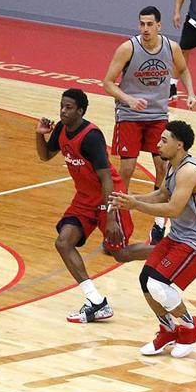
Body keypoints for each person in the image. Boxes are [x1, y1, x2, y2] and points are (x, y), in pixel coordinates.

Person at [35, 88, 153, 324]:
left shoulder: (91, 137)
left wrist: (110, 217)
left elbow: (107, 178)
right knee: (63, 241)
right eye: (62, 106)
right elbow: (45, 155)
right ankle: (96, 302)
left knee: (119, 253)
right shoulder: (60, 128)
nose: (63, 111)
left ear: (80, 111)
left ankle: (174, 252)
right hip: (84, 199)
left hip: (109, 196)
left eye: (68, 107)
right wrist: (39, 134)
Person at [109, 120, 196, 358]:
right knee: (146, 279)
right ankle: (167, 330)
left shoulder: (189, 171)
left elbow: (173, 209)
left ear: (179, 145)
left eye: (163, 140)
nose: (158, 144)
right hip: (179, 236)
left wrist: (136, 204)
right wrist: (131, 200)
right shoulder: (172, 166)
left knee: (158, 284)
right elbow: (162, 193)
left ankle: (190, 326)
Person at [102, 6, 196, 243]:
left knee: (162, 167)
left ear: (159, 26)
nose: (145, 29)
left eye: (149, 24)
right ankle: (117, 221)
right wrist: (129, 99)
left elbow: (184, 69)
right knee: (127, 168)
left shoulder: (171, 47)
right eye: (141, 24)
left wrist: (191, 93)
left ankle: (159, 225)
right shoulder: (128, 48)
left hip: (158, 115)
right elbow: (107, 82)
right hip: (130, 114)